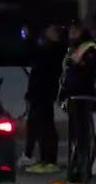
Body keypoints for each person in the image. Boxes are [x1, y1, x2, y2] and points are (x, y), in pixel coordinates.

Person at [59, 23, 96, 183]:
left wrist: (77, 65)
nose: (71, 34)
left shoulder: (91, 48)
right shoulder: (74, 48)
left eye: (74, 31)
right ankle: (75, 167)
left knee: (82, 136)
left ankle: (82, 169)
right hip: (73, 97)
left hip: (83, 98)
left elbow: (89, 72)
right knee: (75, 135)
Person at [21, 25, 65, 174]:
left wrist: (31, 40)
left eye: (51, 31)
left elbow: (43, 66)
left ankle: (49, 160)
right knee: (39, 125)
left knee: (46, 127)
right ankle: (42, 158)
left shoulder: (55, 49)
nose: (47, 33)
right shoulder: (46, 48)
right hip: (38, 93)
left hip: (44, 93)